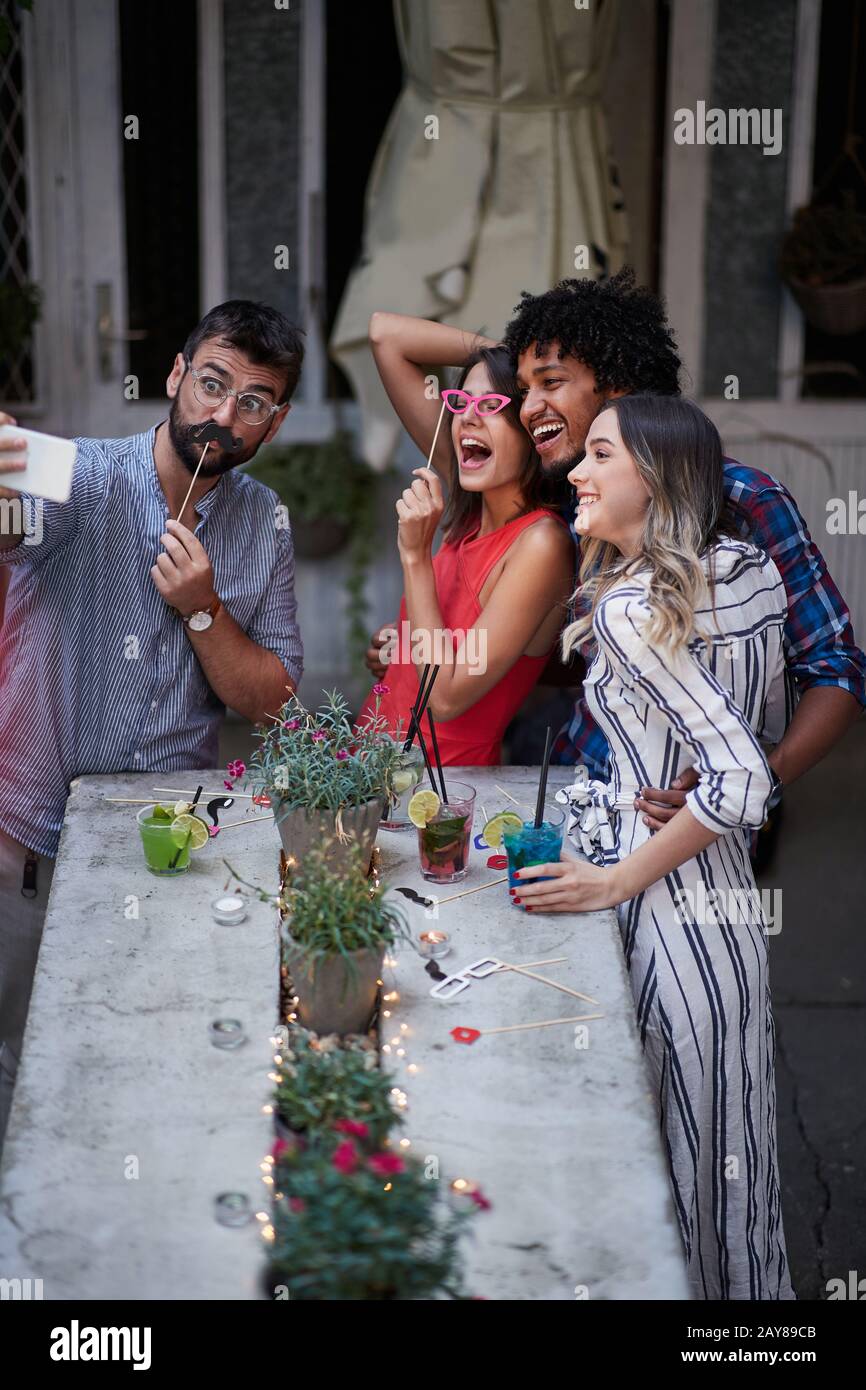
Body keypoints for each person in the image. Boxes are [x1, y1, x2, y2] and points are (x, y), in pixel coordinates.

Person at [0, 299, 304, 1149]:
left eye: (252, 399)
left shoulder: (263, 522)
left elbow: (275, 700)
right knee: (25, 1064)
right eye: (211, 383)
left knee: (149, 1045)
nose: (221, 414)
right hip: (31, 840)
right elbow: (12, 507)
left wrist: (204, 610)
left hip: (172, 849)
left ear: (274, 422)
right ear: (175, 376)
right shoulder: (85, 476)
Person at [513, 393, 794, 1300]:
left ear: (657, 479)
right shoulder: (749, 570)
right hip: (732, 924)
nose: (574, 472)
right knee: (732, 1185)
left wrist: (608, 883)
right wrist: (684, 781)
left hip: (667, 920)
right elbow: (757, 734)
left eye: (599, 457)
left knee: (657, 1193)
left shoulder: (636, 609)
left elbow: (744, 780)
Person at [502, 268, 866, 823]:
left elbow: (835, 669)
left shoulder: (744, 500)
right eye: (522, 388)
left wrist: (759, 777)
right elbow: (398, 350)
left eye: (550, 382)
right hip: (580, 787)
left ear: (618, 386)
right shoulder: (571, 490)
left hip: (690, 826)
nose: (526, 409)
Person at [358, 312, 573, 764]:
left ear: (532, 427)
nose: (469, 417)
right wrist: (404, 645)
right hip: (368, 764)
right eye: (462, 402)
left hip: (442, 794)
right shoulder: (470, 502)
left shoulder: (541, 544)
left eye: (492, 405)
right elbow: (384, 334)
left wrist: (415, 556)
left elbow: (448, 696)